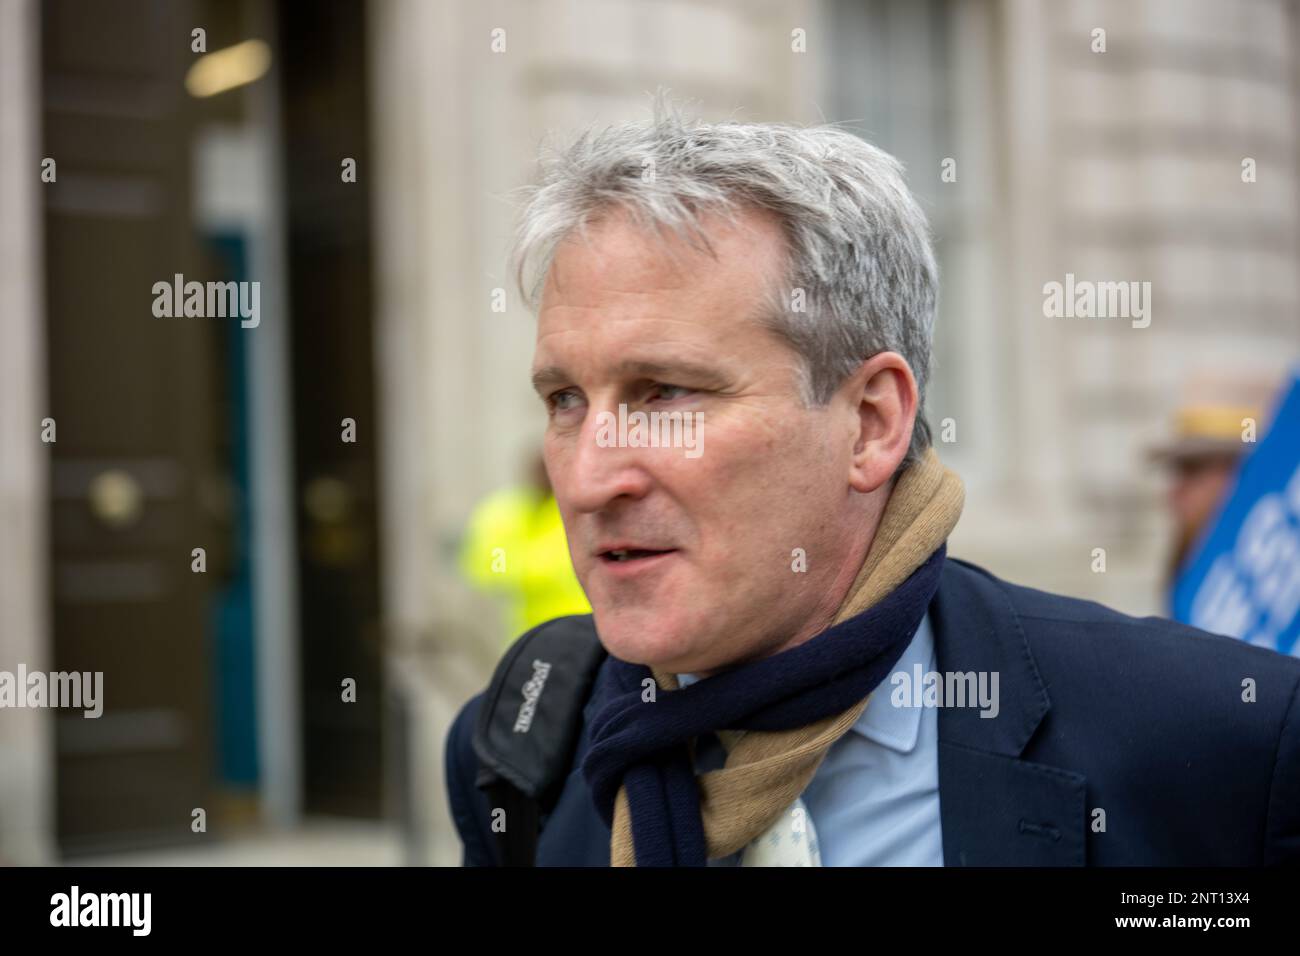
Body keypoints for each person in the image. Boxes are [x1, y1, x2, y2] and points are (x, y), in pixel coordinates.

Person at [445, 100, 1300, 866]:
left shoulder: (1224, 742)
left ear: (872, 423)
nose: (590, 478)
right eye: (564, 398)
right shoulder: (519, 753)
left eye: (665, 393)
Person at [458, 452, 591, 649]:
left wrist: (515, 566)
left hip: (582, 630)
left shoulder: (579, 512)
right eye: (540, 471)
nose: (544, 477)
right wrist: (509, 566)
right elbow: (489, 567)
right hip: (529, 634)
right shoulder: (506, 511)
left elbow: (560, 566)